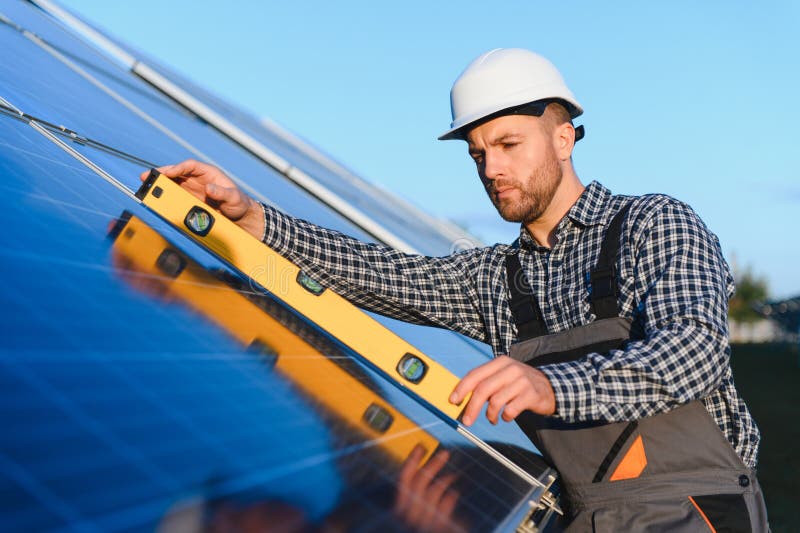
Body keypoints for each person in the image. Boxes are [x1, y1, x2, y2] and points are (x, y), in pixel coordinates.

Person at [144, 48, 769, 531]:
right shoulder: (495, 279)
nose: (492, 169)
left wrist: (550, 386)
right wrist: (255, 221)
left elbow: (694, 352)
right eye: (477, 154)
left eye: (508, 144)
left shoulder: (653, 224)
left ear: (563, 137)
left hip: (696, 512)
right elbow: (381, 275)